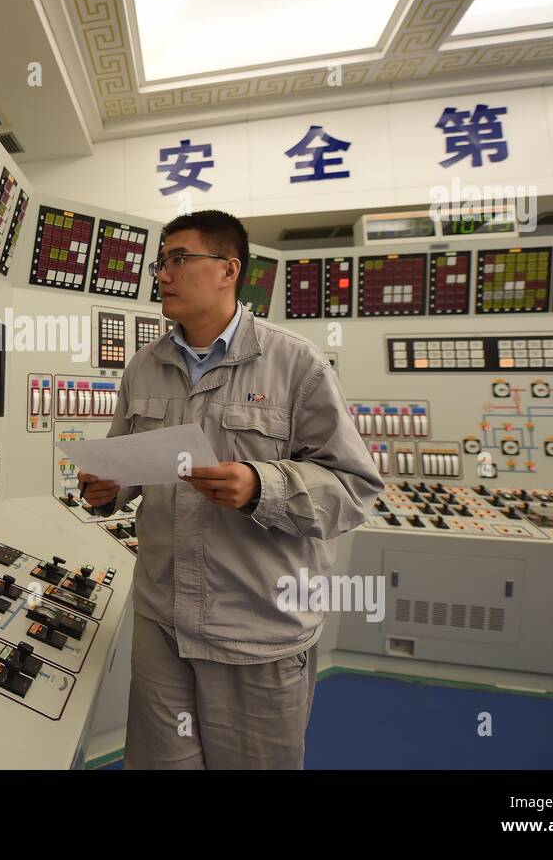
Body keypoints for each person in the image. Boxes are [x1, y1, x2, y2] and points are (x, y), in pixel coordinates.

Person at [78, 210, 382, 769]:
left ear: (227, 270)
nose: (162, 276)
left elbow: (355, 487)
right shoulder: (145, 366)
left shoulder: (296, 363)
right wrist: (110, 489)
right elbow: (128, 461)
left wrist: (262, 485)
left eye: (178, 260)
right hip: (163, 623)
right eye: (160, 263)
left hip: (256, 629)